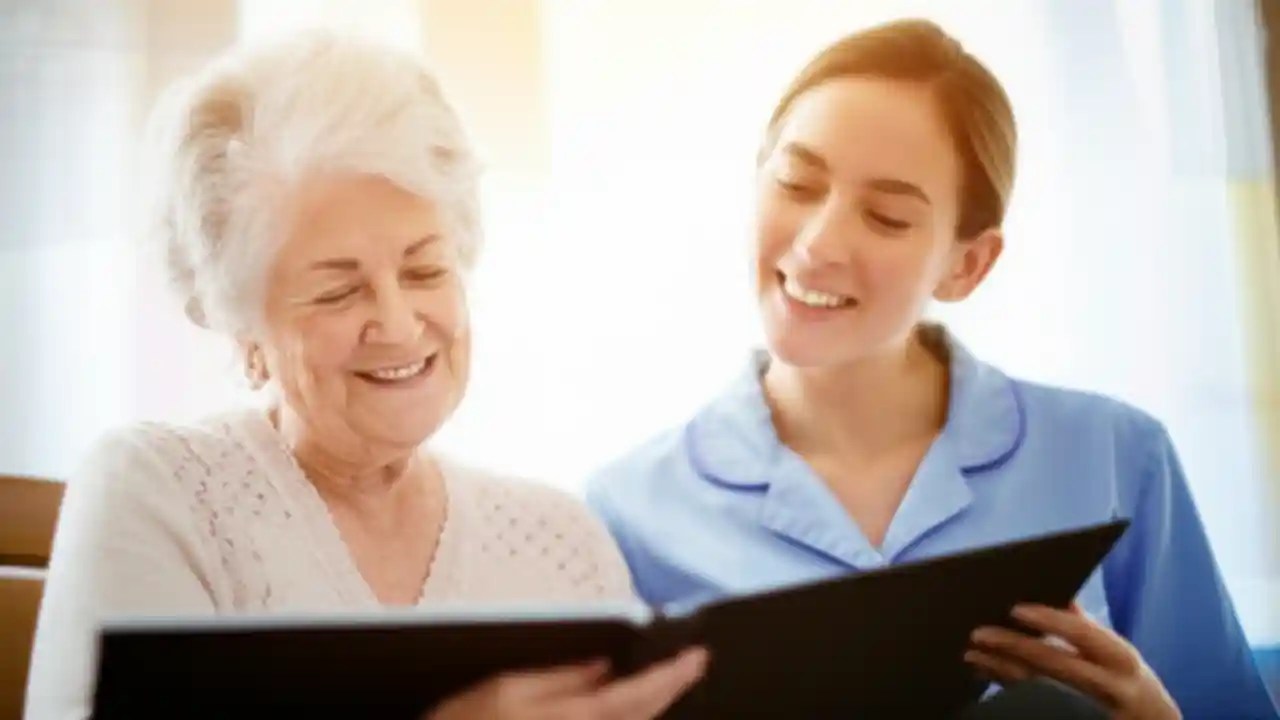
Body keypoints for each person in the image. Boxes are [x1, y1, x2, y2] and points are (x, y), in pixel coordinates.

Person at [586, 18, 1278, 719]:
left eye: (885, 217)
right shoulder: (626, 514)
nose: (819, 243)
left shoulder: (1114, 457)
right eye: (796, 183)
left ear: (966, 264)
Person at [24, 33, 705, 720]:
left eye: (425, 271)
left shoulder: (563, 541)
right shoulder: (158, 491)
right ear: (246, 331)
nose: (402, 324)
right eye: (337, 292)